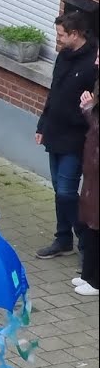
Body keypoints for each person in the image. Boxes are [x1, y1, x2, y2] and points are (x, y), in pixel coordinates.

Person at [34, 10, 98, 260]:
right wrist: (42, 125)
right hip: (54, 131)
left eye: (61, 34)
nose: (57, 39)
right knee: (58, 189)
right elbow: (53, 93)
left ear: (75, 34)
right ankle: (63, 238)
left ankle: (85, 242)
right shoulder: (63, 56)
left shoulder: (93, 62)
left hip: (76, 137)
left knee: (67, 192)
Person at [75, 59, 99, 296]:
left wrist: (89, 108)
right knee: (91, 221)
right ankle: (88, 275)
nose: (95, 60)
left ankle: (96, 280)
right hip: (93, 168)